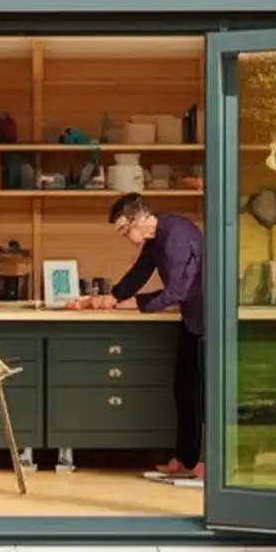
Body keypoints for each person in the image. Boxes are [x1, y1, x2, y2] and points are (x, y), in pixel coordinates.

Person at [66, 193, 205, 479]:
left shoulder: (175, 237)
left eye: (123, 229)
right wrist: (111, 297)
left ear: (139, 217)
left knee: (200, 393)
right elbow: (140, 272)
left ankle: (201, 463)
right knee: (183, 390)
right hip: (192, 320)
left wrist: (137, 304)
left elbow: (177, 291)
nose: (124, 234)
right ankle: (185, 459)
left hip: (207, 320)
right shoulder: (157, 239)